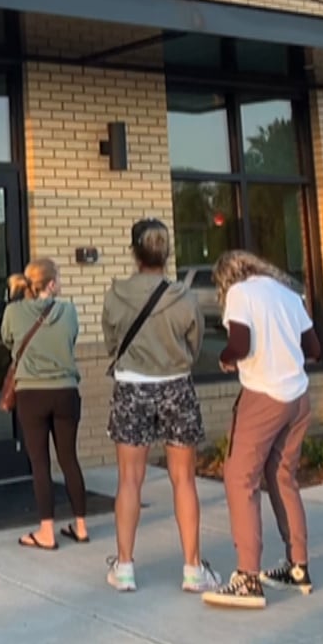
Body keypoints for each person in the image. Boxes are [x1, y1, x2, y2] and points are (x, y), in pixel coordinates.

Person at [102, 219, 217, 594]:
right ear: (166, 253)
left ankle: (124, 567)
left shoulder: (115, 294)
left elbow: (111, 341)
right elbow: (195, 343)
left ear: (134, 252)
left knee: (129, 480)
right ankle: (193, 569)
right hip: (175, 387)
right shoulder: (182, 296)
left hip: (132, 386)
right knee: (183, 479)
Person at [202, 250, 321, 610]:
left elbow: (240, 345)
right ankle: (297, 566)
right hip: (297, 397)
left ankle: (247, 578)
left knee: (240, 479)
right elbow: (313, 349)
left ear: (227, 277)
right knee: (283, 476)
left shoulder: (240, 294)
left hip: (263, 396)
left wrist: (225, 358)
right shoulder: (287, 293)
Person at [3, 258, 89, 550]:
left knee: (40, 463)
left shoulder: (13, 311)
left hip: (31, 393)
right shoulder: (68, 311)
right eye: (60, 278)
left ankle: (46, 531)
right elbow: (72, 338)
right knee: (69, 458)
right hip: (66, 390)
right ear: (51, 284)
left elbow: (6, 339)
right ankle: (80, 525)